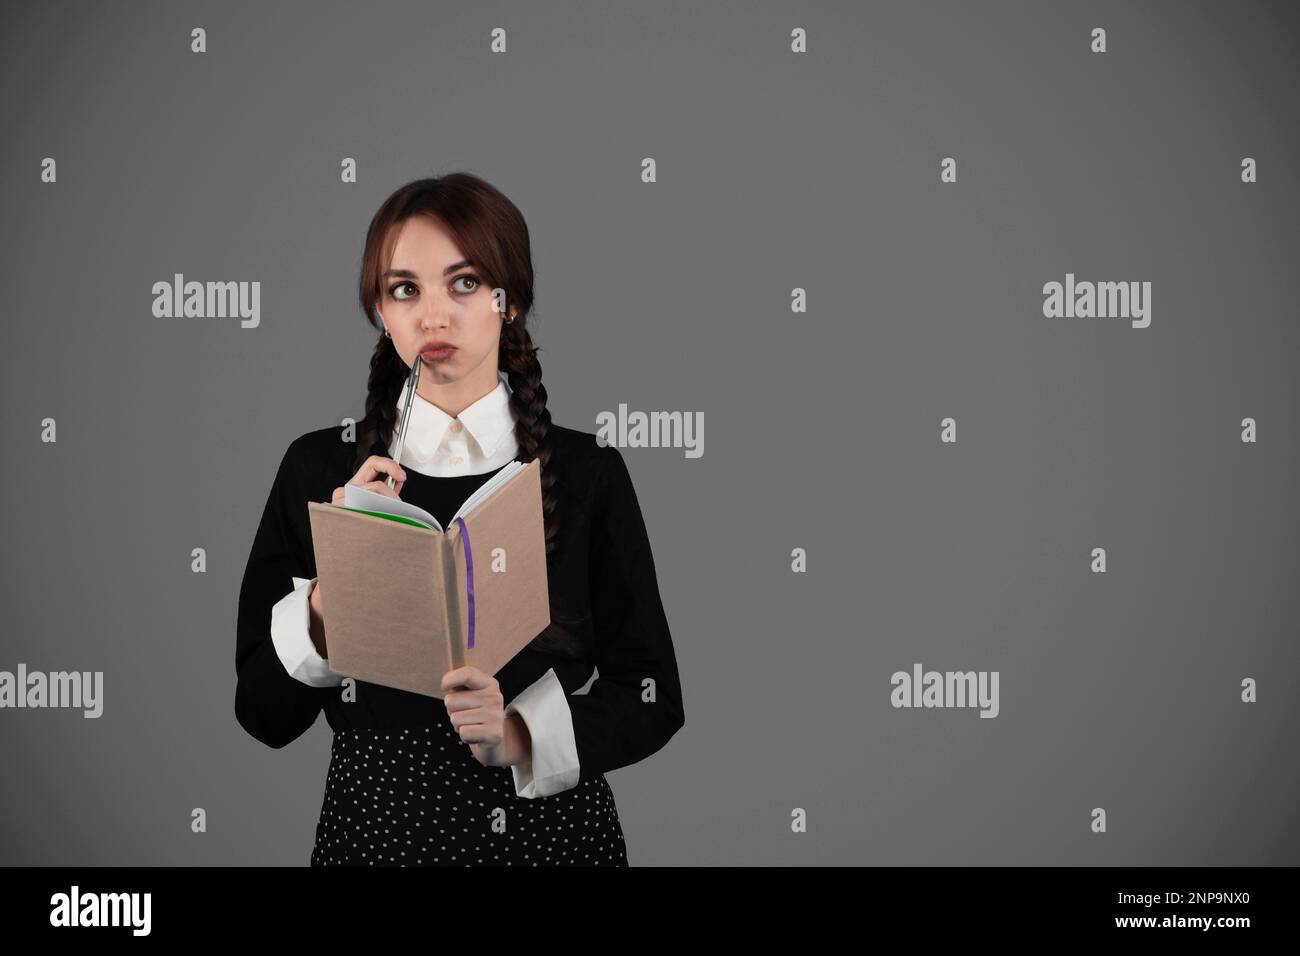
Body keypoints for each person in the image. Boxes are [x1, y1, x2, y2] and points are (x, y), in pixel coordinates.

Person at [234, 172, 685, 866]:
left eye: (465, 283)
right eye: (404, 288)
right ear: (380, 310)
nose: (433, 316)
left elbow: (653, 697)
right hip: (373, 833)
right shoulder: (316, 470)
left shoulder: (588, 473)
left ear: (510, 301)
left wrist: (519, 736)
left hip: (550, 838)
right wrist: (331, 595)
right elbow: (262, 717)